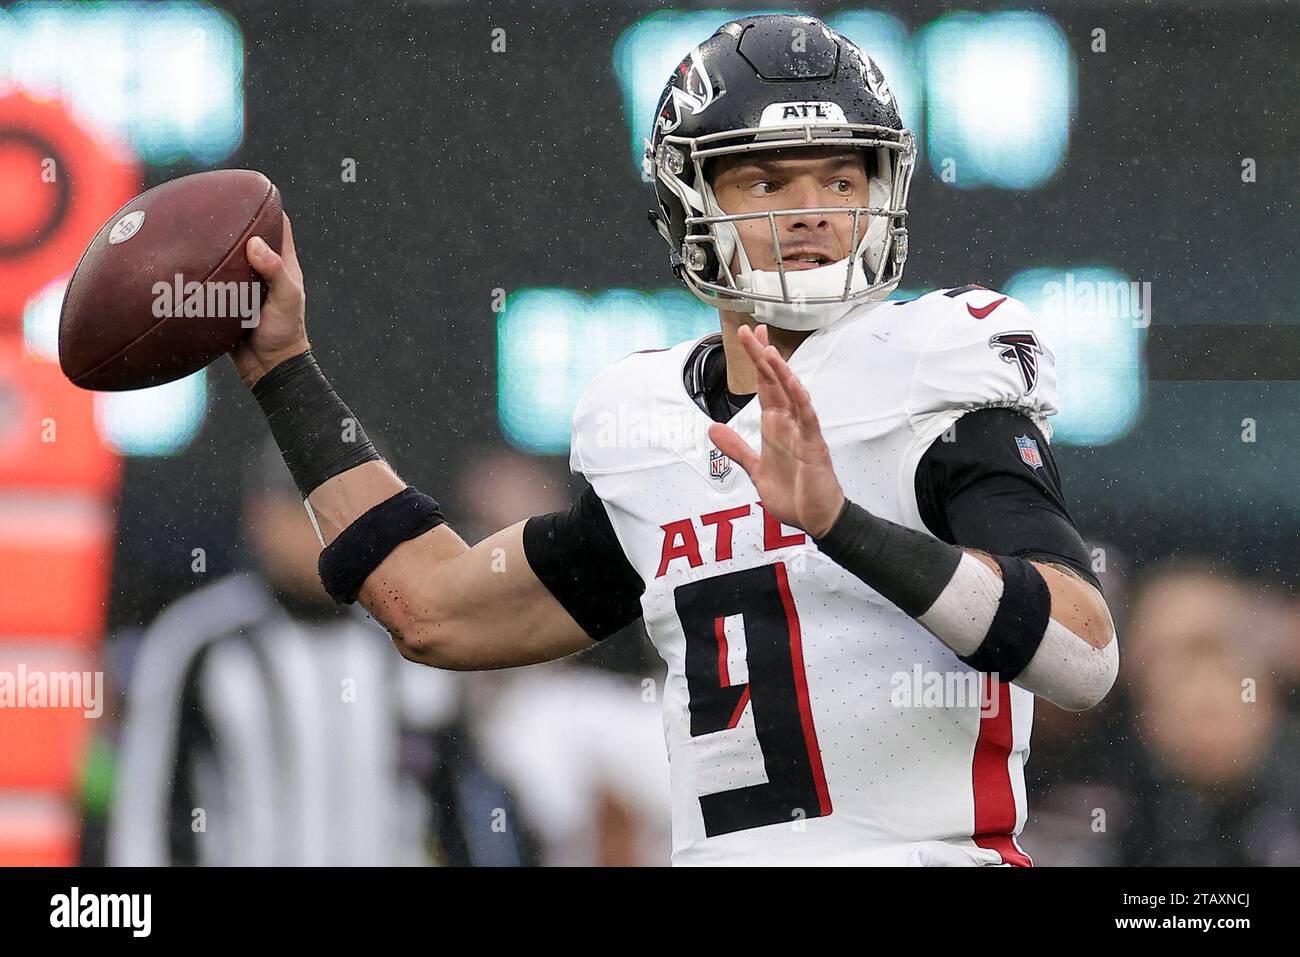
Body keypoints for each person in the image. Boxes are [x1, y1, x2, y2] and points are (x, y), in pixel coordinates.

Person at [227, 14, 1117, 866]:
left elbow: (1084, 653)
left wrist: (842, 523)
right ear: (688, 204)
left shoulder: (936, 373)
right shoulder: (653, 431)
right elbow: (430, 606)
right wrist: (283, 369)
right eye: (768, 181)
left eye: (842, 179)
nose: (812, 211)